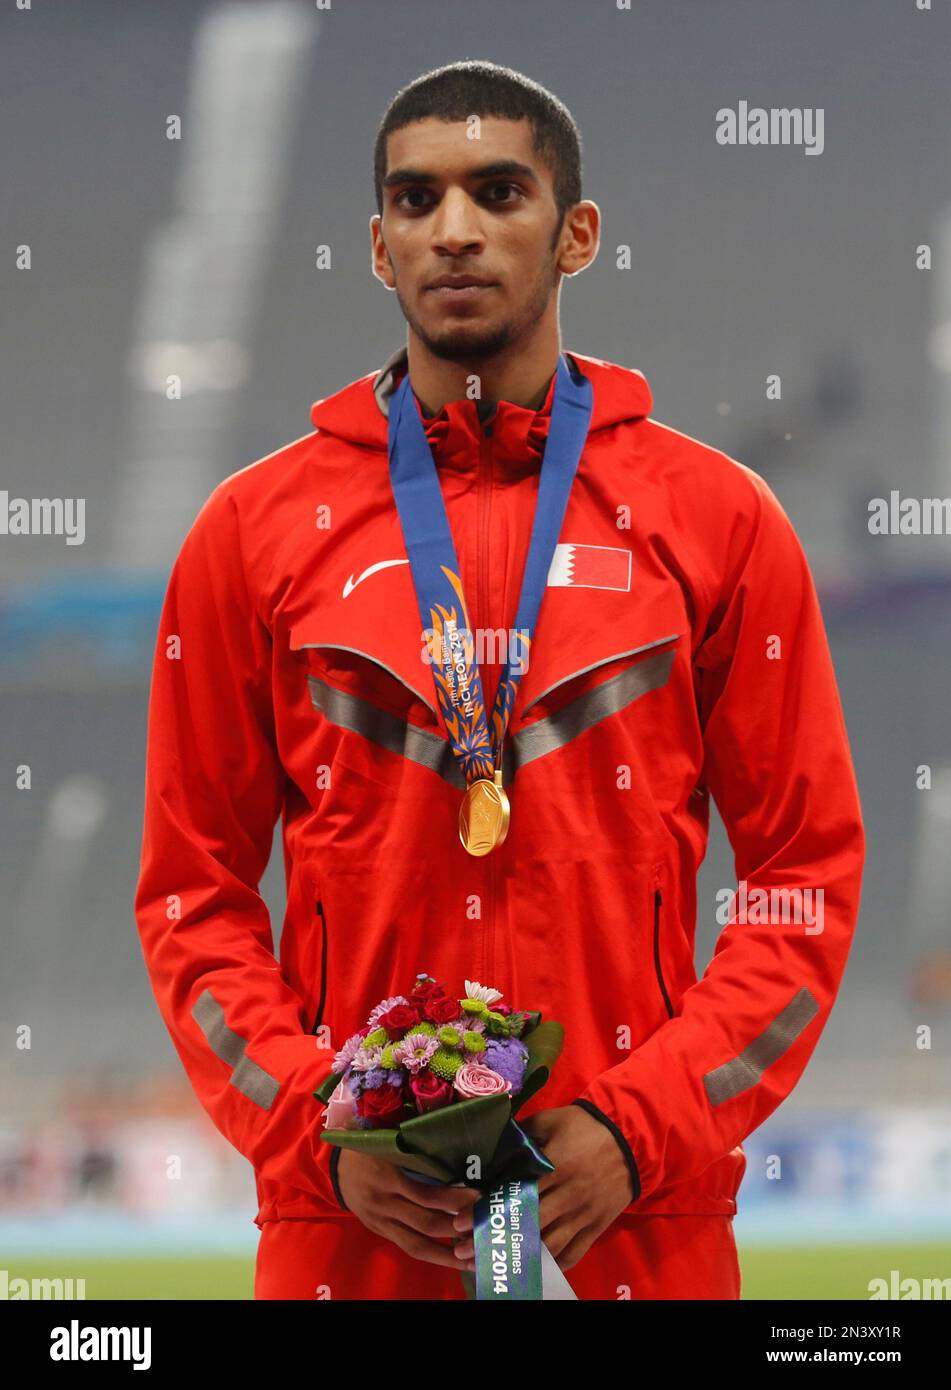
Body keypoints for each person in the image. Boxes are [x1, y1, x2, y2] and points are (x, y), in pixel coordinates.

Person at [134, 60, 866, 1301]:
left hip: (637, 1228)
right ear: (377, 246)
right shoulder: (251, 532)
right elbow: (189, 897)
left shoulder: (718, 522)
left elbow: (803, 882)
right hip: (352, 1235)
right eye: (416, 201)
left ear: (577, 231)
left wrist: (646, 1127)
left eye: (499, 191)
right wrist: (317, 1126)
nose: (455, 229)